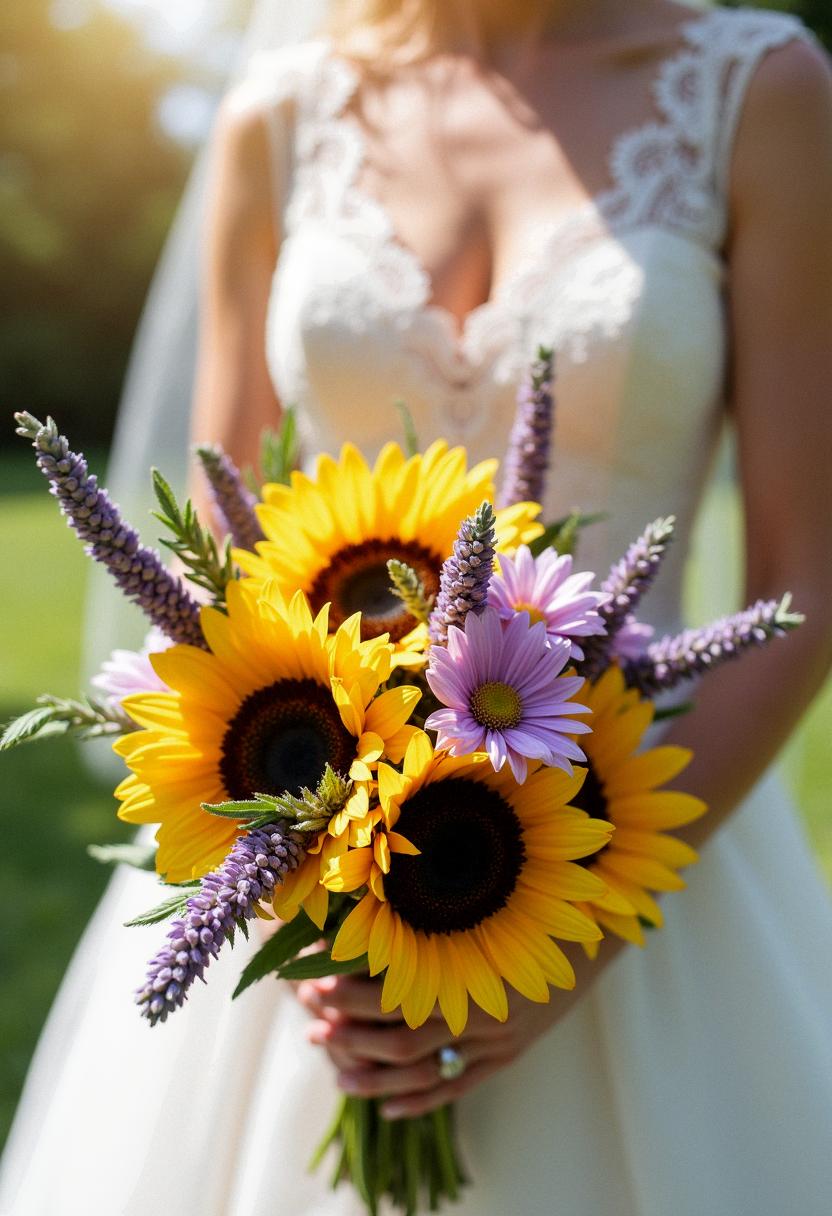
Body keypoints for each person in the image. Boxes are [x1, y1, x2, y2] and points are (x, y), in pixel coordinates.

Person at [3, 1, 832, 1213]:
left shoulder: (760, 93)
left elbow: (803, 575)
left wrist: (567, 933)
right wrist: (307, 889)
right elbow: (214, 550)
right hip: (304, 834)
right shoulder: (277, 116)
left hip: (643, 827)